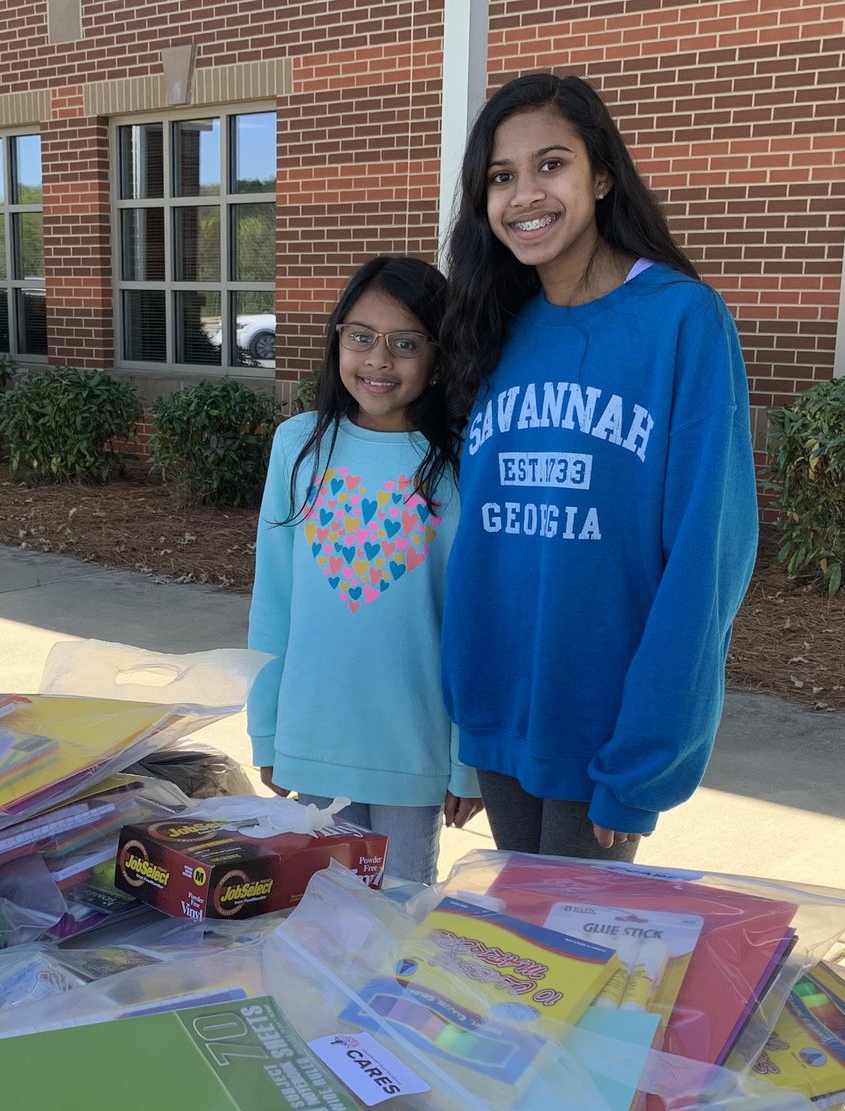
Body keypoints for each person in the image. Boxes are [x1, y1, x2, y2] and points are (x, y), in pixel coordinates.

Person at [437, 73, 758, 862]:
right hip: (499, 718)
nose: (523, 196)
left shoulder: (683, 321)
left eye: (551, 165)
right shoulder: (494, 325)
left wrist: (646, 758)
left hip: (603, 728)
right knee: (517, 961)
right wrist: (467, 731)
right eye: (500, 177)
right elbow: (478, 537)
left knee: (571, 964)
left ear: (602, 175)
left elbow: (706, 560)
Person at [247, 256, 482, 885]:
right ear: (337, 340)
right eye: (361, 337)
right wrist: (266, 730)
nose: (379, 360)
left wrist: (467, 762)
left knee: (398, 921)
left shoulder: (461, 460)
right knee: (311, 918)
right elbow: (274, 598)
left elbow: (472, 622)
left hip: (413, 745)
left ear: (438, 357)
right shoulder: (298, 445)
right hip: (313, 737)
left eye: (405, 343)